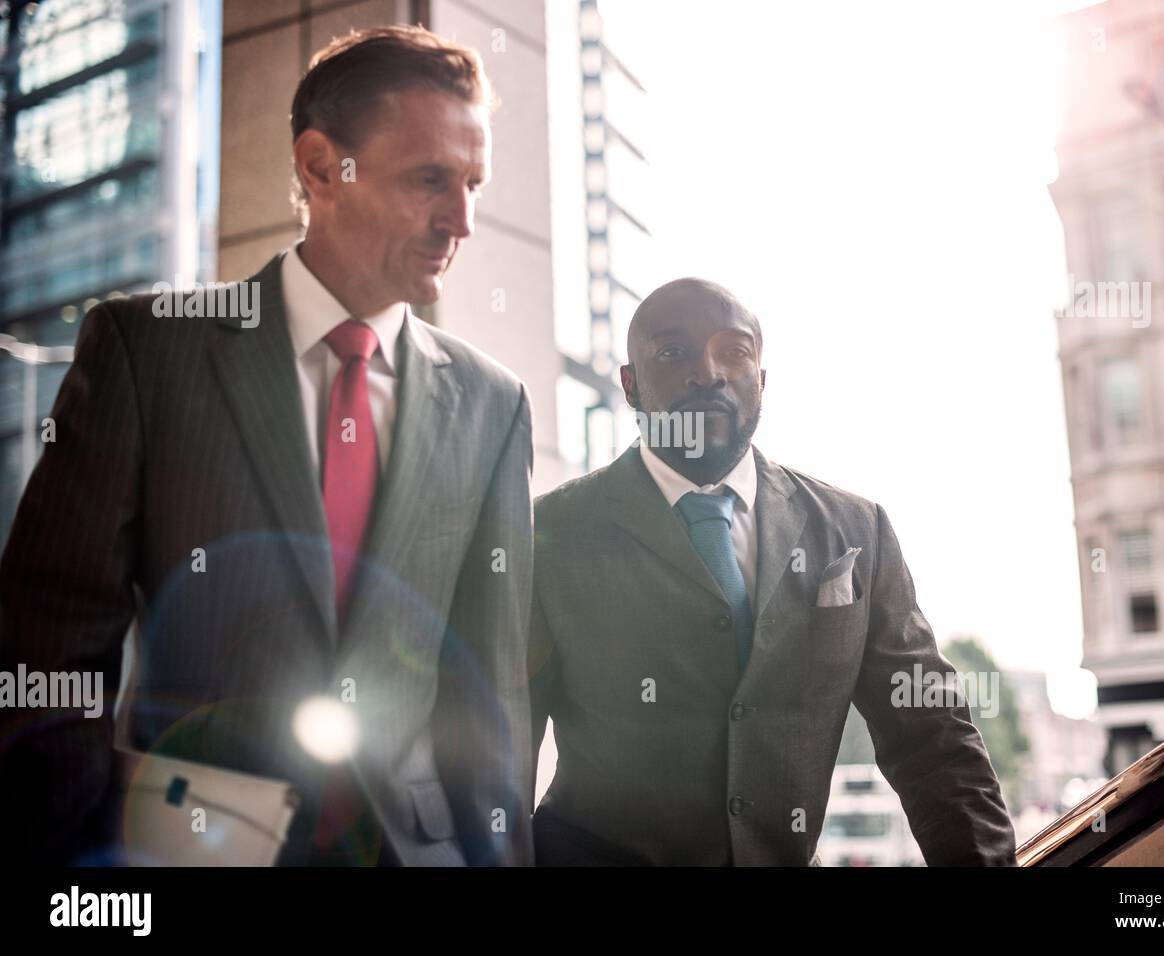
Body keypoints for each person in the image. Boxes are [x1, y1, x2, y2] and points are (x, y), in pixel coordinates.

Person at [0, 25, 534, 867]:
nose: (462, 220)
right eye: (431, 178)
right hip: (190, 848)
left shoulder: (495, 404)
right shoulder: (148, 353)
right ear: (322, 166)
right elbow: (50, 645)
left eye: (473, 183)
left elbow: (490, 690)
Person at [528, 278, 1017, 866]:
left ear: (761, 380)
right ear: (630, 384)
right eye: (672, 352)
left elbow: (932, 737)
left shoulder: (855, 530)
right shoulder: (545, 535)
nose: (708, 372)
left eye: (734, 352)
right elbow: (494, 762)